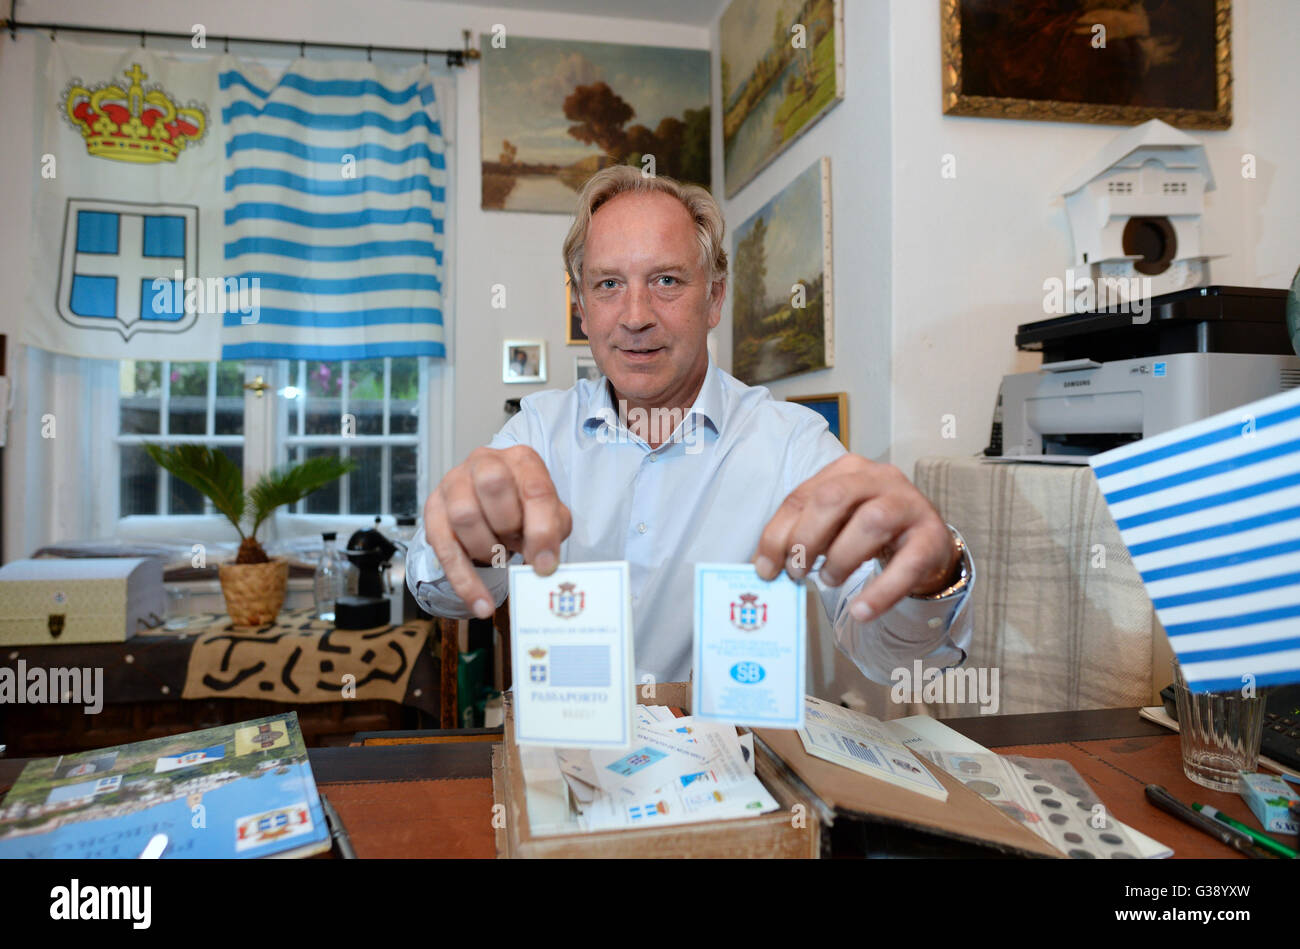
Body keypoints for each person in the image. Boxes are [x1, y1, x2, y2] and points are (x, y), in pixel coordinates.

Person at [407, 166, 974, 686]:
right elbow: (437, 594)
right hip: (563, 768)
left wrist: (930, 576)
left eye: (667, 281)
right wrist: (474, 544)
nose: (635, 316)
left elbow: (900, 661)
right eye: (608, 285)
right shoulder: (537, 432)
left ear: (715, 299)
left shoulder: (791, 445)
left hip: (735, 778)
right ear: (582, 309)